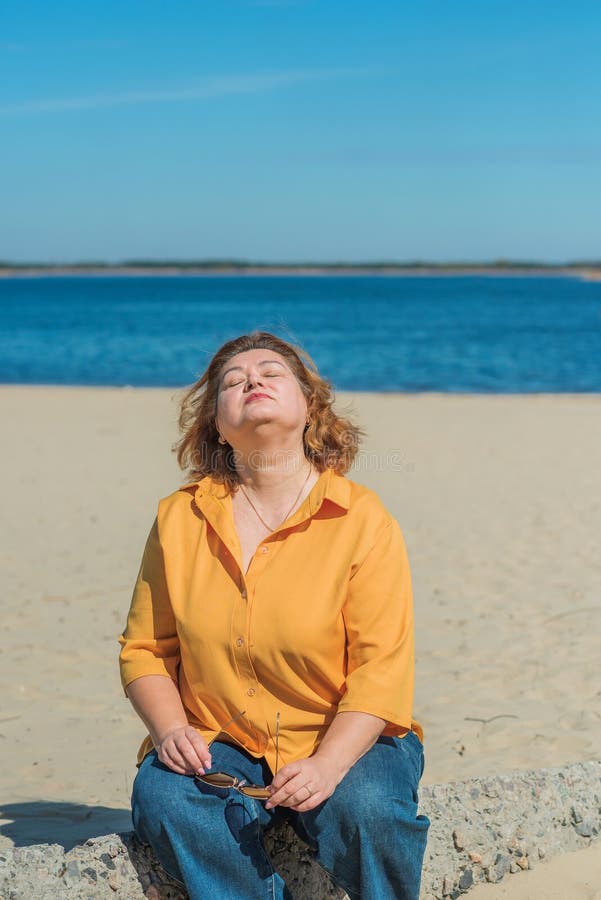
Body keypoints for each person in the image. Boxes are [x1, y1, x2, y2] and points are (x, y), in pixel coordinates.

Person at [118, 330, 430, 900]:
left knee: (367, 811)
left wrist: (329, 767)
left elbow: (381, 668)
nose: (252, 381)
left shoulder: (362, 519)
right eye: (233, 382)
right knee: (165, 797)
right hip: (221, 734)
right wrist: (169, 730)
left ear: (310, 407)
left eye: (270, 373)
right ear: (217, 422)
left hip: (345, 731)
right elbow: (145, 649)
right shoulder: (178, 519)